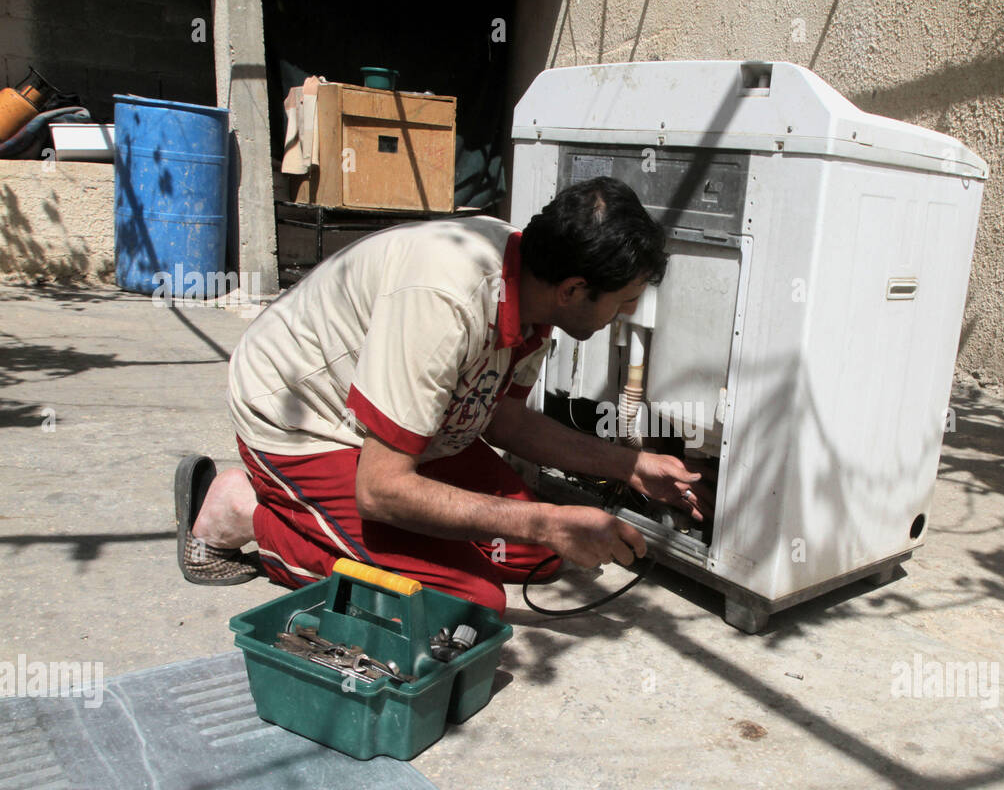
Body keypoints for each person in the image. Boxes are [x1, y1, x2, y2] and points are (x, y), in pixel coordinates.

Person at [175, 177, 707, 615]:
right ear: (572, 290)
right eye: (625, 300)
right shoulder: (445, 299)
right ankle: (245, 512)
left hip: (400, 431)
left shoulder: (532, 288)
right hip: (303, 418)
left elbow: (506, 422)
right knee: (464, 603)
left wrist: (630, 467)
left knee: (536, 556)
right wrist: (546, 517)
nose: (630, 313)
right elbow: (381, 491)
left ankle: (349, 530)